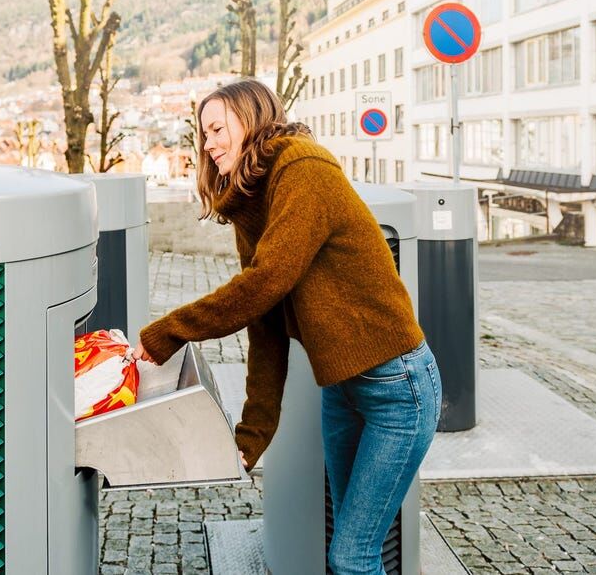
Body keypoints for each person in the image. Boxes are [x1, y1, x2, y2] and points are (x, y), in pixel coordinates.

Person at [133, 78, 441, 574]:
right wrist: (251, 436)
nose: (207, 144)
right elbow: (266, 322)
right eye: (203, 134)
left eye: (216, 129)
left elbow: (265, 281)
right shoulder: (249, 201)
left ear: (250, 118)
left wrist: (169, 332)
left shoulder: (303, 167)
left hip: (398, 388)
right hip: (343, 389)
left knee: (352, 555)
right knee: (347, 541)